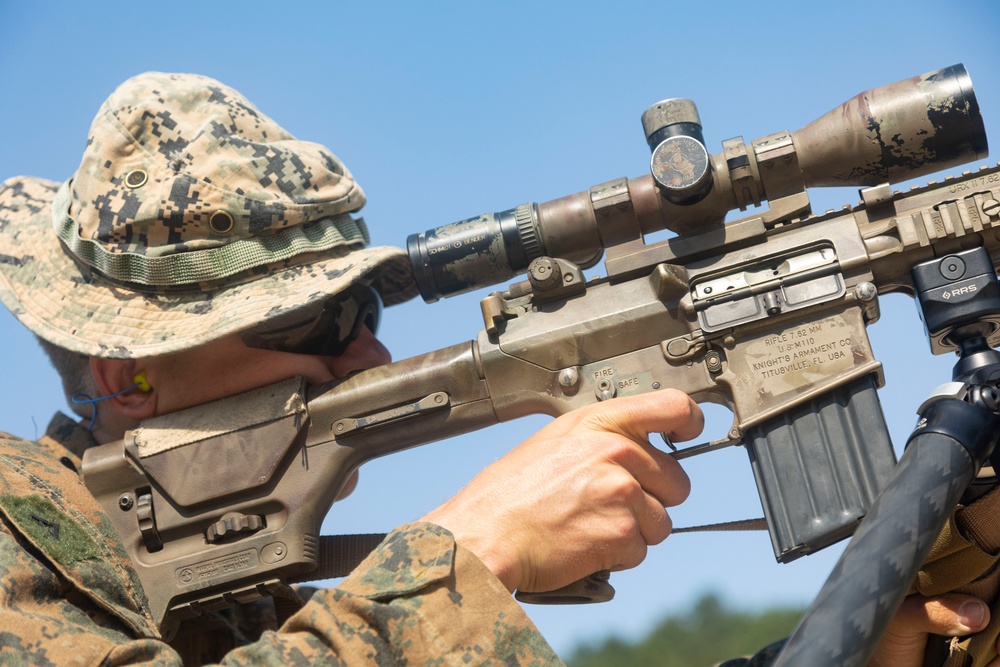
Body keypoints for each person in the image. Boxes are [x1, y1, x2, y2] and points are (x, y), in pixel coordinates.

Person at [0, 71, 988, 666]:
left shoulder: (251, 604)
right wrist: (466, 550)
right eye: (320, 319)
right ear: (125, 375)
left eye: (369, 309)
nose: (370, 352)